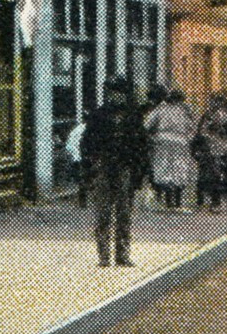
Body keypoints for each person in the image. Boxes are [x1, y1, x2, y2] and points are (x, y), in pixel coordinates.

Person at [80, 77, 145, 266]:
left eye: (119, 92)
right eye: (112, 92)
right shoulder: (99, 115)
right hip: (103, 167)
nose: (116, 96)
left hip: (124, 168)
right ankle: (104, 256)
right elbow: (86, 142)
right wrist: (91, 166)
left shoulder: (133, 117)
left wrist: (138, 173)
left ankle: (122, 255)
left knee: (124, 213)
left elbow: (141, 146)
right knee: (103, 214)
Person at [146, 87, 195, 210]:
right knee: (179, 169)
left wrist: (152, 137)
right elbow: (192, 128)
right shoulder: (185, 110)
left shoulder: (160, 109)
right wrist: (188, 139)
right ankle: (177, 202)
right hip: (181, 142)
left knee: (164, 169)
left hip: (162, 141)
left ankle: (168, 201)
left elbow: (147, 124)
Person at [193, 93, 227, 210]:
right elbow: (200, 131)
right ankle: (203, 200)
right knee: (207, 173)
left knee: (216, 174)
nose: (214, 104)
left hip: (221, 147)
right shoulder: (208, 115)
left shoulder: (225, 115)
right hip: (211, 147)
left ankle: (215, 201)